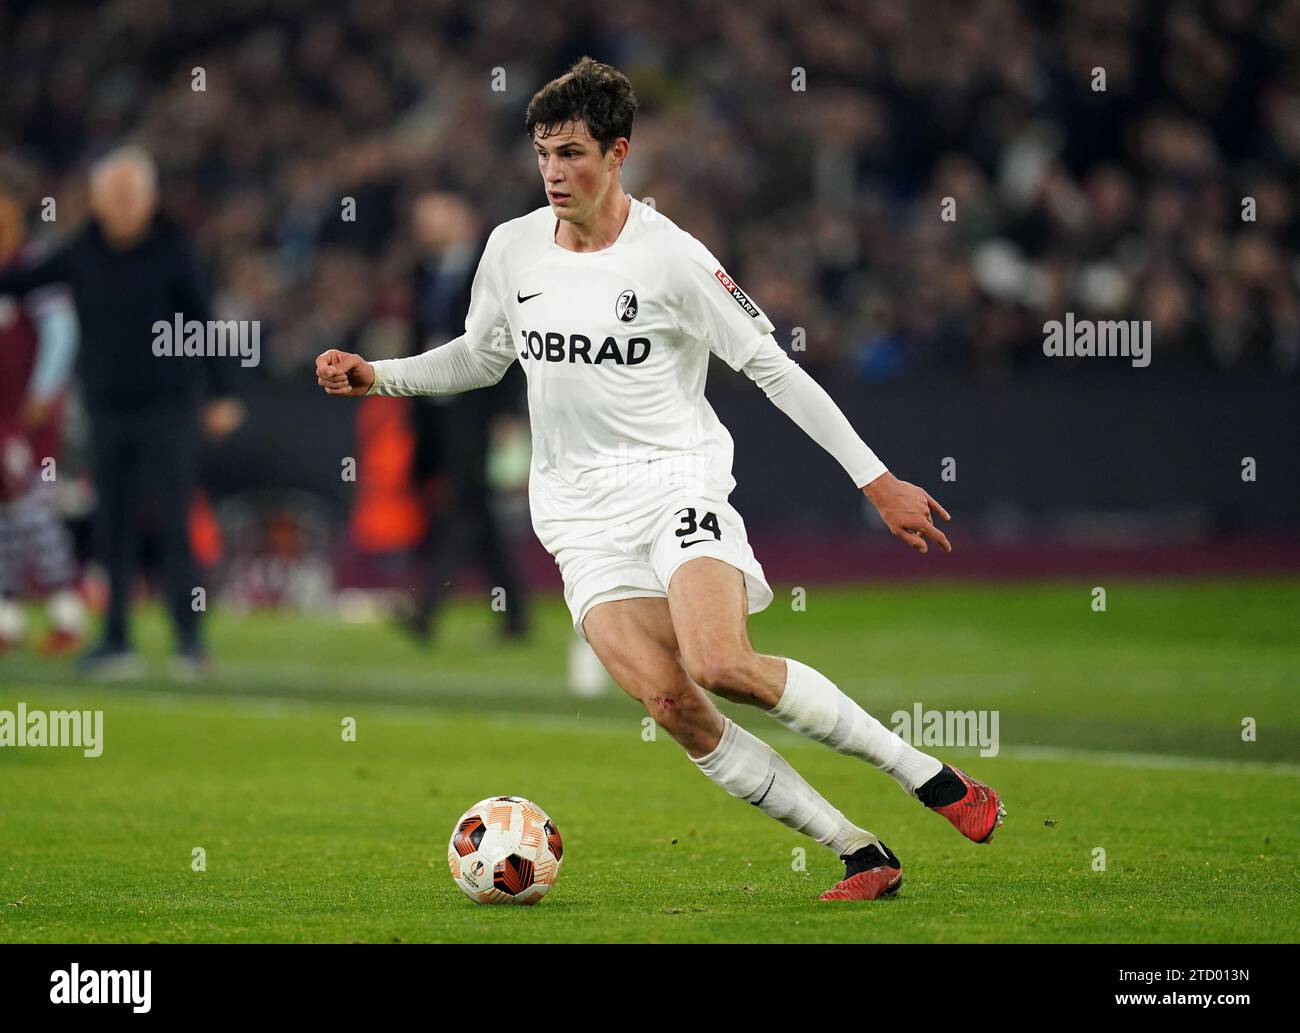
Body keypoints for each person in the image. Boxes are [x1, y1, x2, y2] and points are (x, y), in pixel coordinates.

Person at [316, 57, 1004, 901]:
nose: (554, 173)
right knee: (675, 706)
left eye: (571, 153)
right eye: (542, 154)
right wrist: (377, 374)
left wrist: (876, 479)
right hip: (574, 515)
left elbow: (774, 369)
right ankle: (859, 850)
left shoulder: (673, 259)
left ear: (617, 152)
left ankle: (931, 777)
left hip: (674, 484)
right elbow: (481, 355)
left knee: (721, 662)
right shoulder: (511, 248)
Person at [0, 145, 243, 678]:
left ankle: (189, 640)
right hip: (108, 411)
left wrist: (223, 392)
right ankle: (115, 641)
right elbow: (20, 284)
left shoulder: (174, 252)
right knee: (112, 528)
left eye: (133, 193)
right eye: (115, 194)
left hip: (170, 408)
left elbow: (206, 320)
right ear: (97, 199)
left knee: (176, 525)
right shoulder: (81, 251)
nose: (125, 204)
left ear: (151, 198)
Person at [403, 191, 529, 642]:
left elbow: (512, 341)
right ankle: (515, 616)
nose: (423, 229)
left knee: (461, 507)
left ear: (461, 220)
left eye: (432, 218)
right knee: (478, 513)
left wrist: (506, 412)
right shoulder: (422, 273)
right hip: (437, 408)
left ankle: (426, 607)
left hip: (477, 406)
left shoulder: (489, 269)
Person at [0, 157, 86, 654]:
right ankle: (10, 617)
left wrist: (44, 390)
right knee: (9, 511)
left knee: (29, 508)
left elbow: (61, 332)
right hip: (2, 412)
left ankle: (66, 608)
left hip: (26, 412)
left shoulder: (33, 267)